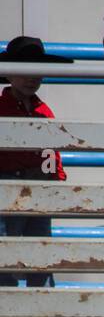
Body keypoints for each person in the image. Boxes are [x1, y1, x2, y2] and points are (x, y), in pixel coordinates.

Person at [0, 37, 72, 292]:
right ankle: (8, 310)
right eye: (24, 70)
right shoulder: (3, 108)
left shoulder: (44, 111)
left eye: (37, 72)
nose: (32, 78)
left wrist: (56, 179)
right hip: (7, 184)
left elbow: (51, 151)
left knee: (41, 247)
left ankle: (42, 308)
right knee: (6, 247)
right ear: (9, 74)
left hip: (39, 185)